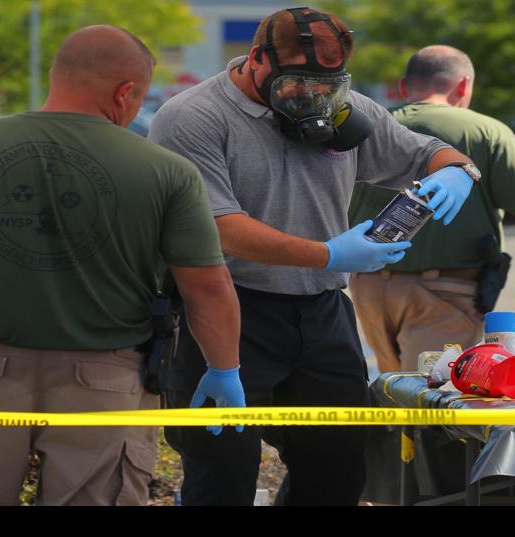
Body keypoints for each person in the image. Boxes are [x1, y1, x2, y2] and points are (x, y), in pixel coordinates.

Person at [0, 25, 242, 506]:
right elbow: (207, 288)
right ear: (126, 91)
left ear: (57, 75)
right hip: (105, 378)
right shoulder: (167, 171)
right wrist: (224, 369)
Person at [149, 6, 481, 506]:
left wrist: (457, 170)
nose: (312, 98)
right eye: (298, 84)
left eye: (328, 85)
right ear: (258, 60)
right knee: (222, 475)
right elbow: (215, 227)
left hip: (322, 314)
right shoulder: (193, 117)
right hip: (227, 308)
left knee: (338, 470)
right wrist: (326, 253)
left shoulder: (343, 109)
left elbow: (424, 151)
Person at [350, 45, 515, 373]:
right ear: (464, 86)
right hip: (445, 292)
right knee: (440, 397)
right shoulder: (487, 132)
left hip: (368, 287)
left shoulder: (371, 127)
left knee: (393, 391)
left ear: (405, 87)